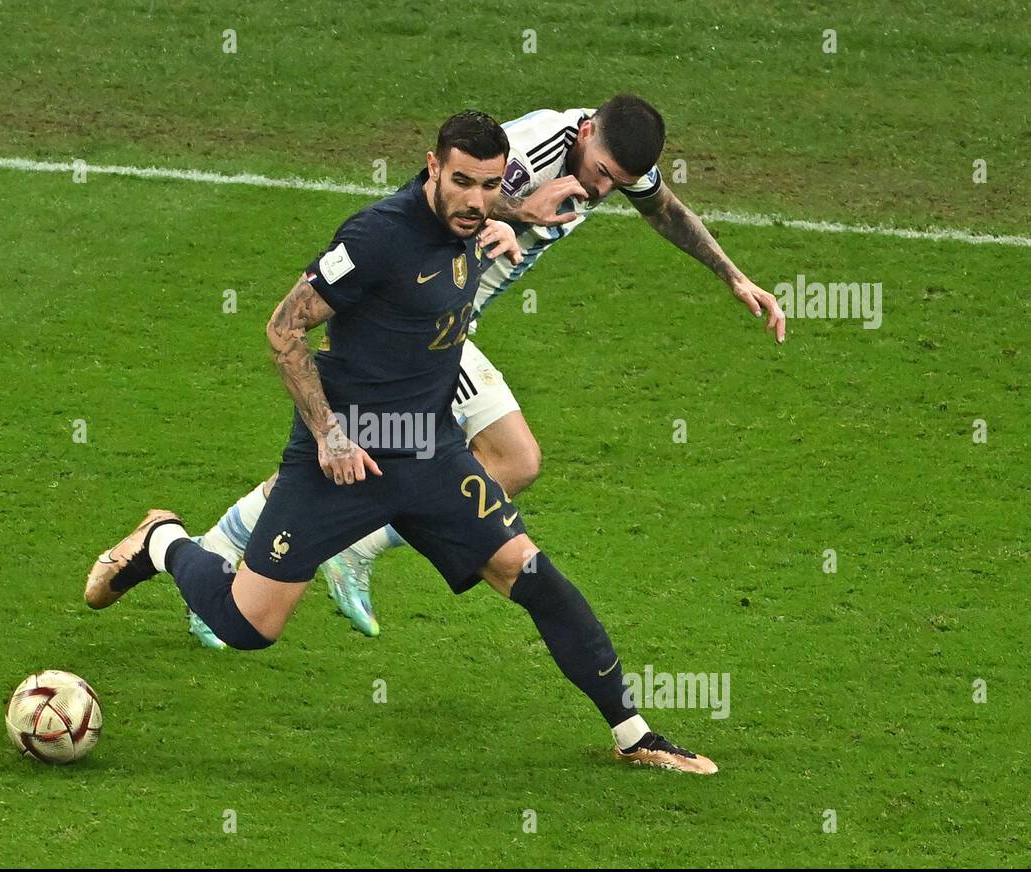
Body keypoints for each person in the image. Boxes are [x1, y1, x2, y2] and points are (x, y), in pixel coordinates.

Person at [84, 110, 717, 774]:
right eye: (464, 182)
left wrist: (522, 212)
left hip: (431, 452)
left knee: (535, 576)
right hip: (345, 457)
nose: (476, 201)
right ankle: (163, 541)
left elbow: (507, 208)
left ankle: (634, 735)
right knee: (249, 627)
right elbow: (282, 329)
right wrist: (328, 434)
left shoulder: (485, 220)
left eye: (491, 185)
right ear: (433, 167)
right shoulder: (376, 238)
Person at [192, 95, 786, 645]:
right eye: (602, 172)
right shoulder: (534, 148)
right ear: (584, 133)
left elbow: (664, 209)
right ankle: (250, 550)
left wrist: (733, 276)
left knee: (400, 460)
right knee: (497, 457)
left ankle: (318, 542)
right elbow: (460, 196)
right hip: (426, 329)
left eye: (617, 183)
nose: (602, 190)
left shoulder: (611, 150)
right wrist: (519, 209)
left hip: (452, 323)